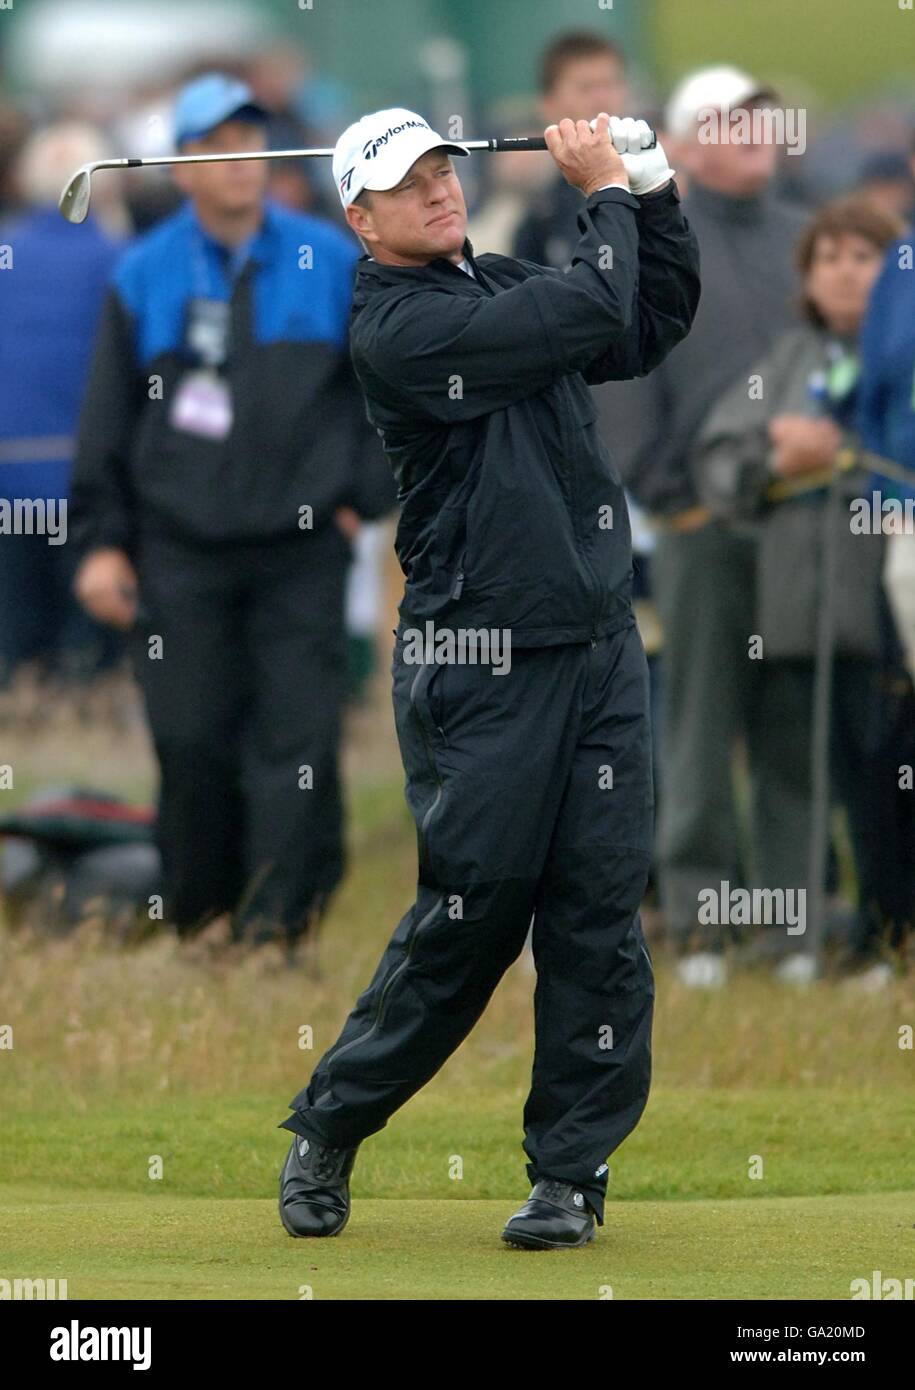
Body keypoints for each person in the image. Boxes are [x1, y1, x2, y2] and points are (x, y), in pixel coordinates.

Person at [277, 106, 700, 1249]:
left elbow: (646, 316)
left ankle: (572, 1174)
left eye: (442, 170)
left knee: (598, 918)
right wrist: (601, 187)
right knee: (471, 919)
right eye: (405, 184)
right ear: (360, 221)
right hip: (483, 662)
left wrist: (652, 193)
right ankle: (331, 1118)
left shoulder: (496, 284)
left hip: (601, 645)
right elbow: (586, 303)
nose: (436, 191)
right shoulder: (397, 330)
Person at [71, 73, 395, 951]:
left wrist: (361, 503)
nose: (240, 159)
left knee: (296, 744)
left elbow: (375, 395)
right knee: (190, 740)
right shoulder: (142, 273)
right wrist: (102, 544)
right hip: (179, 553)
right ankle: (201, 920)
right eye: (215, 144)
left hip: (301, 550)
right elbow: (107, 419)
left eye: (251, 137)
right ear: (180, 165)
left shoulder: (325, 258)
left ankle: (280, 931)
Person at [596, 67, 809, 988]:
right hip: (695, 520)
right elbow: (627, 380)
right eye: (729, 121)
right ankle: (698, 916)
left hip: (800, 524)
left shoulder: (808, 238)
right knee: (698, 717)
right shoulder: (660, 237)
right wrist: (661, 489)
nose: (753, 132)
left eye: (760, 117)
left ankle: (791, 924)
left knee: (793, 722)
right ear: (682, 144)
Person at [693, 197, 910, 977]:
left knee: (891, 766)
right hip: (797, 611)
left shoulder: (900, 353)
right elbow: (719, 462)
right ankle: (807, 931)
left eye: (863, 257)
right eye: (828, 259)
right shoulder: (783, 365)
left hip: (886, 602)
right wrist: (775, 464)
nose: (845, 274)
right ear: (807, 278)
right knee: (805, 769)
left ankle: (890, 929)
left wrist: (843, 446)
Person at [0, 124, 124, 687]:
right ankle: (81, 702)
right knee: (87, 630)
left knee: (19, 624)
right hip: (87, 478)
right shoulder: (120, 261)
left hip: (11, 475)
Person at [511, 30, 631, 269]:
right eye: (585, 88)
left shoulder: (662, 189)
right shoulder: (542, 218)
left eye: (610, 84)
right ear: (548, 104)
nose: (602, 101)